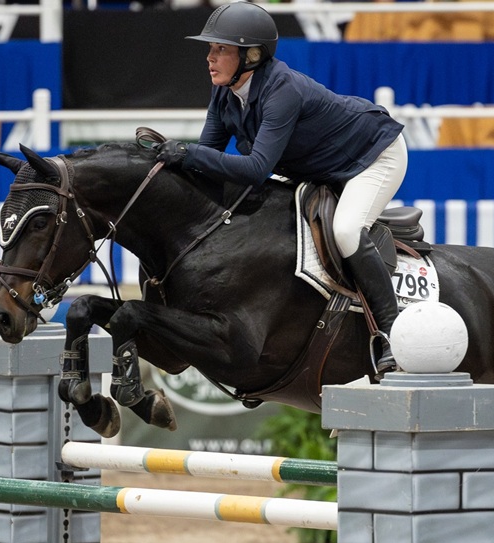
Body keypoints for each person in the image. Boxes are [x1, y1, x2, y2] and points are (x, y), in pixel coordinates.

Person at [156, 1, 407, 375]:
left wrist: (186, 153)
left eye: (221, 49)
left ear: (251, 55)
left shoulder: (282, 90)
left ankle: (392, 335)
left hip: (373, 157)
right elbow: (205, 157)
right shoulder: (225, 92)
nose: (210, 58)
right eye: (210, 49)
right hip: (319, 165)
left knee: (346, 230)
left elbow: (256, 169)